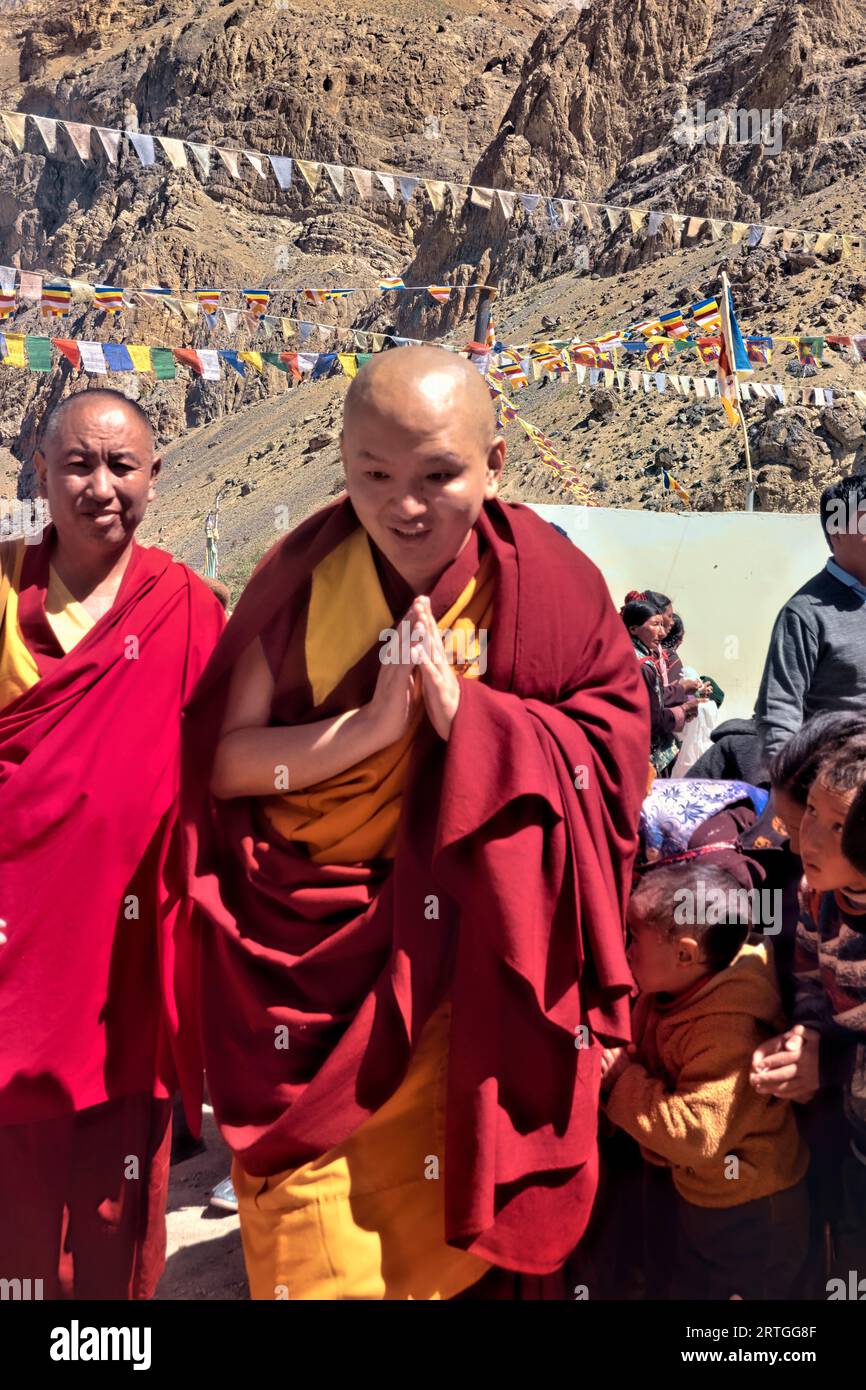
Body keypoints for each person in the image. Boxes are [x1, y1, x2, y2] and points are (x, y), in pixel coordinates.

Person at [182, 344, 650, 1300]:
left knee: (450, 1246)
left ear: (496, 466)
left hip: (462, 977)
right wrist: (373, 725)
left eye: (440, 475)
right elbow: (227, 766)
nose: (405, 505)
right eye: (375, 476)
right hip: (312, 966)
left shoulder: (548, 585)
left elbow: (610, 764)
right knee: (315, 1245)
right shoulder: (307, 576)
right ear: (342, 462)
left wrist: (471, 724)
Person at [0, 388, 224, 1299]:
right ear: (41, 472)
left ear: (154, 478)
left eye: (122, 466)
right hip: (13, 958)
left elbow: (234, 763)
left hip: (130, 962)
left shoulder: (185, 606)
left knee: (113, 1214)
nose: (101, 486)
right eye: (79, 464)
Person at [602, 859, 809, 1300]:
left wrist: (623, 1083)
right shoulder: (679, 984)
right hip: (709, 1196)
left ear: (685, 953)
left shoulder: (727, 1028)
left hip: (751, 1212)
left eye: (635, 938)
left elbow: (697, 1134)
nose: (626, 950)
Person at [751, 732, 866, 1277]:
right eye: (807, 817)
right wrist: (810, 1033)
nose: (805, 844)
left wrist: (835, 1065)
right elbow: (810, 976)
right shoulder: (814, 896)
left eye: (836, 825)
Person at [755, 474, 866, 763]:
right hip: (841, 787)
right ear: (837, 531)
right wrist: (787, 794)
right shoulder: (805, 614)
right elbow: (779, 714)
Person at [621, 593, 698, 782]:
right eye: (656, 625)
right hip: (644, 758)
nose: (662, 633)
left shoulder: (623, 653)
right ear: (634, 629)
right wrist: (683, 710)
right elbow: (653, 721)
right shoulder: (643, 665)